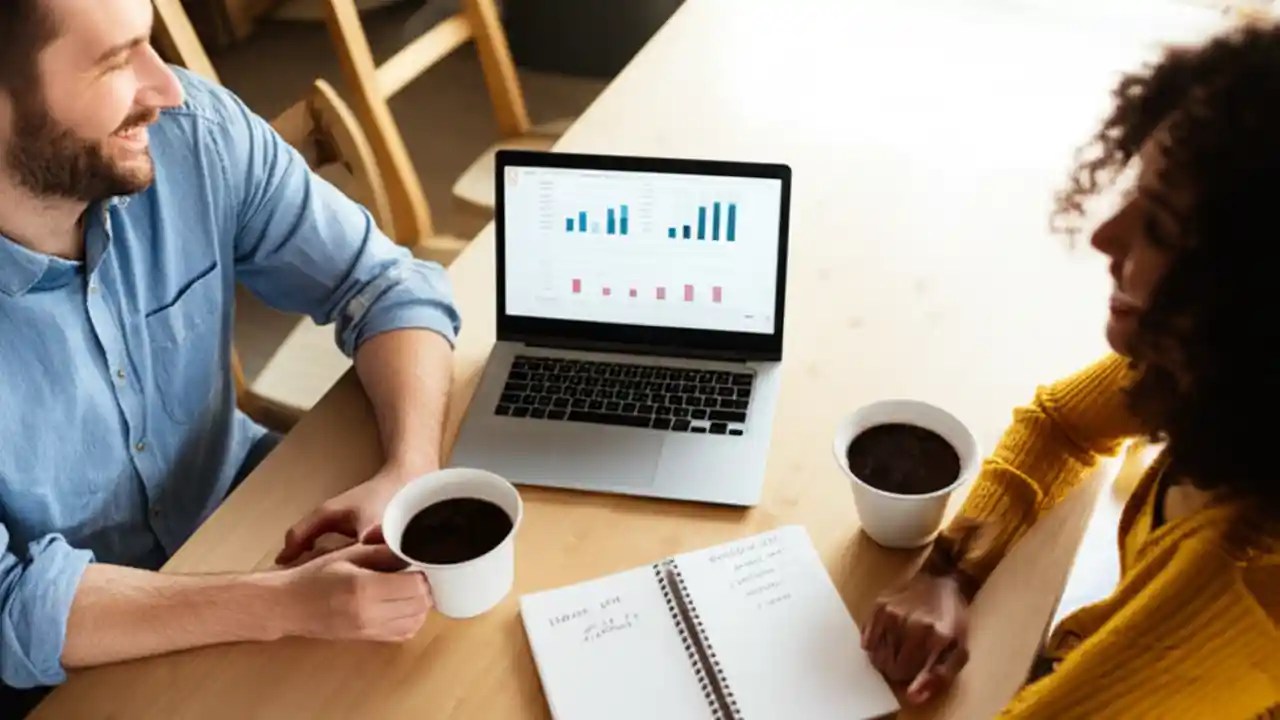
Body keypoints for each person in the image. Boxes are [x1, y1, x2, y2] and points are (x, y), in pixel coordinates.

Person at [0, 0, 460, 708]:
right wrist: (284, 605)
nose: (167, 88)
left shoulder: (193, 136)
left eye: (149, 41)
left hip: (254, 528)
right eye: (117, 62)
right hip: (72, 670)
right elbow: (13, 604)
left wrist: (409, 469)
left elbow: (385, 286)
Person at [863, 23, 1280, 718]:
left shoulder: (1237, 582)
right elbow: (1061, 423)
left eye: (1162, 228)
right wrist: (948, 573)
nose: (1104, 237)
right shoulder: (1219, 381)